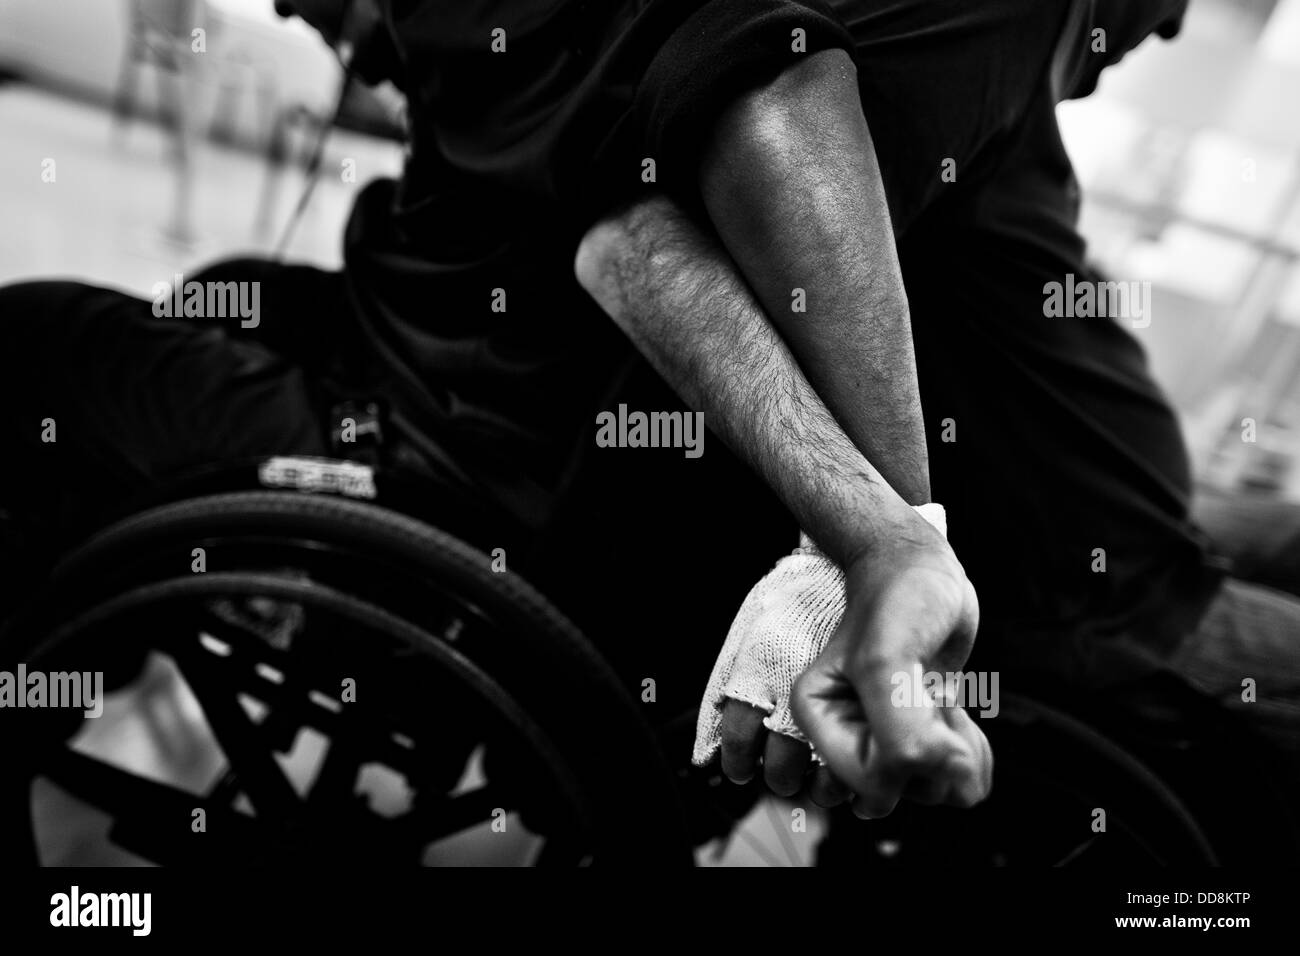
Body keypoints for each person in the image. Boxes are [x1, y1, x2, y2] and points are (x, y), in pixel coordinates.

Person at [2, 0, 1296, 830]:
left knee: (26, 346)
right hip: (497, 416)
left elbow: (670, 194)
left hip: (468, 462)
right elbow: (639, 223)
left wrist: (881, 530)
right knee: (214, 298)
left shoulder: (963, 47)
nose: (1171, 28)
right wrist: (879, 528)